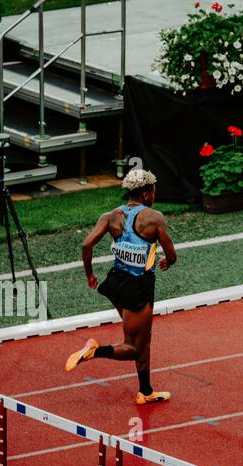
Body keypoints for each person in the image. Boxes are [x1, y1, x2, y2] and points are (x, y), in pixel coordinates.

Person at [66, 168, 176, 405]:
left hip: (115, 282)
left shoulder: (110, 216)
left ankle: (145, 391)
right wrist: (168, 261)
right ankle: (94, 350)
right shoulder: (154, 218)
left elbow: (86, 245)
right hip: (138, 287)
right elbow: (172, 254)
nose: (155, 195)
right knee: (134, 347)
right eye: (154, 190)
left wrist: (89, 275)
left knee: (143, 339)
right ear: (146, 193)